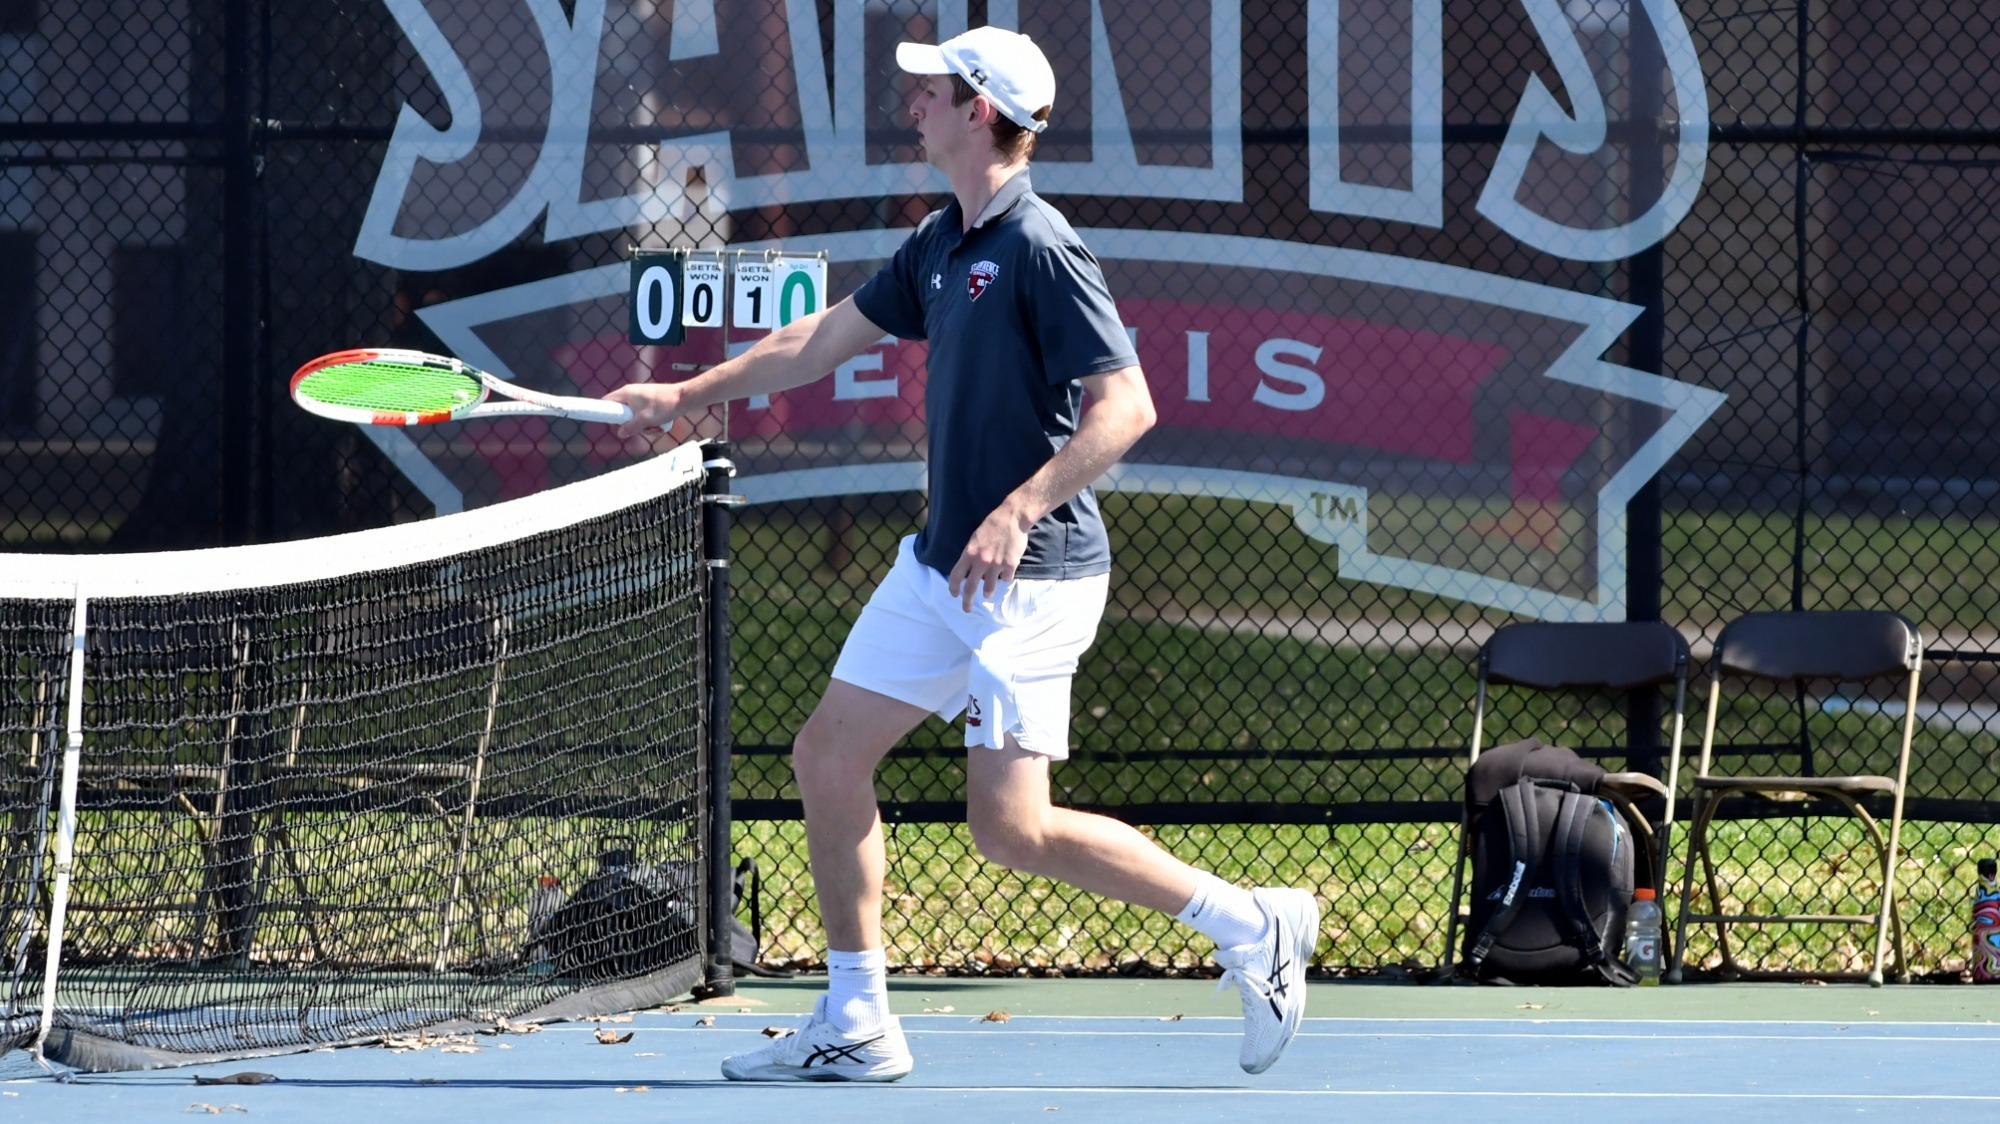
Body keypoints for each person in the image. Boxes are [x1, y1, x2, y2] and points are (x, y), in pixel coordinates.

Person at [607, 25, 1320, 1082]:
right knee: (827, 755)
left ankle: (1250, 922)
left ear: (978, 111)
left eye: (931, 92)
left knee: (1009, 827)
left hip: (1027, 580)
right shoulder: (942, 241)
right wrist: (684, 393)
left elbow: (1126, 407)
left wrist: (1020, 506)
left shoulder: (1038, 244)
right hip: (938, 565)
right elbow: (819, 338)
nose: (914, 106)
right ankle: (856, 1016)